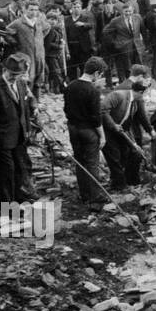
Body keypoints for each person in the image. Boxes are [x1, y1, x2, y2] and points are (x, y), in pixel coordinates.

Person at [0, 54, 36, 203]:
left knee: (19, 168)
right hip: (2, 139)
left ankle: (18, 196)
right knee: (6, 172)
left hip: (18, 136)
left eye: (18, 75)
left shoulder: (21, 84)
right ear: (4, 70)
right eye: (12, 74)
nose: (14, 78)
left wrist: (27, 129)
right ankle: (8, 203)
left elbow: (24, 109)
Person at [63, 58, 110, 206]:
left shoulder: (70, 86)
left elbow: (66, 109)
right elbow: (96, 117)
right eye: (101, 75)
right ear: (96, 73)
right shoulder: (93, 90)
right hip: (88, 130)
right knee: (92, 163)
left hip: (73, 128)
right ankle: (95, 196)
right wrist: (102, 136)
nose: (100, 78)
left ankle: (84, 194)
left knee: (80, 162)